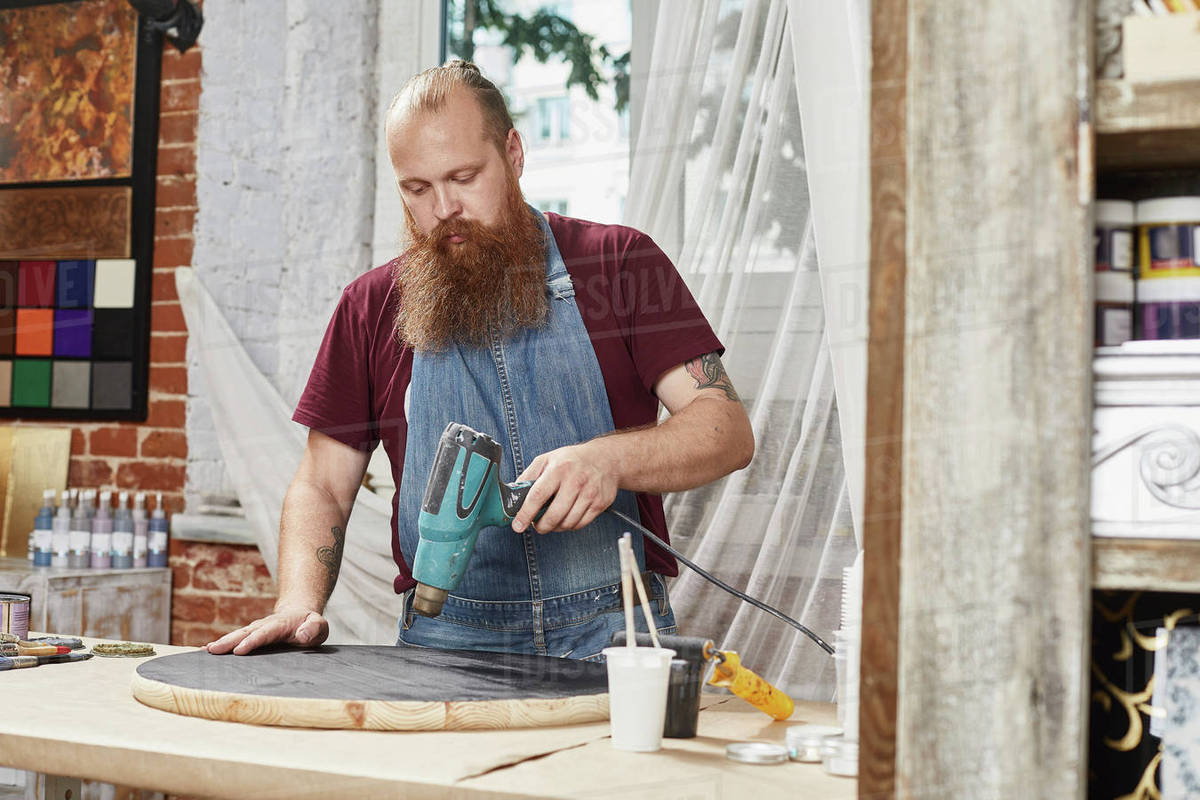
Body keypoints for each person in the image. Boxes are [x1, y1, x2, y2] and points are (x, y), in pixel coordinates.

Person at [207, 60, 754, 660]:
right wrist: (297, 602)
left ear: (513, 153)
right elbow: (322, 484)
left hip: (616, 636)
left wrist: (608, 459)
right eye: (417, 189)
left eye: (463, 177)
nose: (444, 207)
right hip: (445, 639)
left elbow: (725, 430)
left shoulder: (620, 264)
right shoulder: (370, 307)